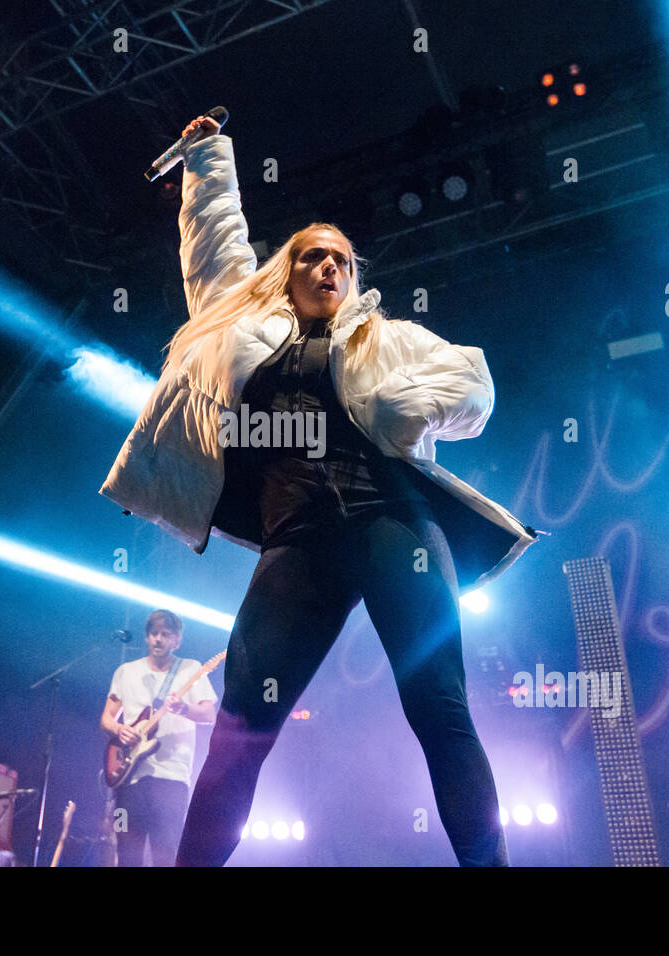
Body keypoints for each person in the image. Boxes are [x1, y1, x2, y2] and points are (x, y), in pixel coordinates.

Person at [100, 114, 536, 866]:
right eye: (312, 258)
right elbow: (213, 239)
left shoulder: (388, 339)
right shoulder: (241, 323)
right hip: (297, 536)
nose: (329, 268)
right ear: (288, 271)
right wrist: (206, 156)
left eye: (340, 260)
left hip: (392, 522)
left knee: (441, 709)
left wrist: (408, 408)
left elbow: (474, 383)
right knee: (242, 727)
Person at [100, 609, 216, 866]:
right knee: (128, 855)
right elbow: (106, 718)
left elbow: (209, 713)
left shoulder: (191, 669)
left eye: (166, 634)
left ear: (177, 640)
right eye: (154, 634)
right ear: (146, 637)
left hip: (171, 778)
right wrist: (120, 730)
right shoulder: (126, 672)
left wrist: (184, 708)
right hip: (130, 777)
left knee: (167, 853)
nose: (158, 639)